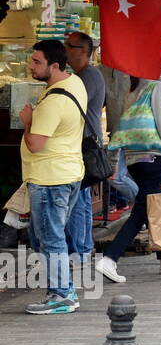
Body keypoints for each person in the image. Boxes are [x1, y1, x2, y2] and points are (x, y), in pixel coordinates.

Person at [97, 63, 161, 289]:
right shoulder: (155, 87)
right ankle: (109, 259)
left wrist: (116, 160)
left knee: (149, 208)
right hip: (154, 156)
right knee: (141, 212)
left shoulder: (132, 90)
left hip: (135, 159)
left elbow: (121, 127)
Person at [20, 40, 90, 314]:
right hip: (66, 173)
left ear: (55, 66)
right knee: (47, 237)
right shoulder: (75, 84)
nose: (30, 65)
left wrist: (28, 121)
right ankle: (62, 289)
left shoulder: (54, 101)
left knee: (50, 238)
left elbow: (36, 143)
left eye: (37, 62)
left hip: (51, 179)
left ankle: (62, 294)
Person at [63, 31, 103, 265]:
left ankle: (79, 250)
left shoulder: (87, 76)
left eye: (69, 46)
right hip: (85, 141)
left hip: (84, 143)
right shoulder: (84, 75)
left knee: (78, 197)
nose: (65, 49)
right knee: (82, 197)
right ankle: (84, 247)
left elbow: (72, 107)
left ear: (83, 51)